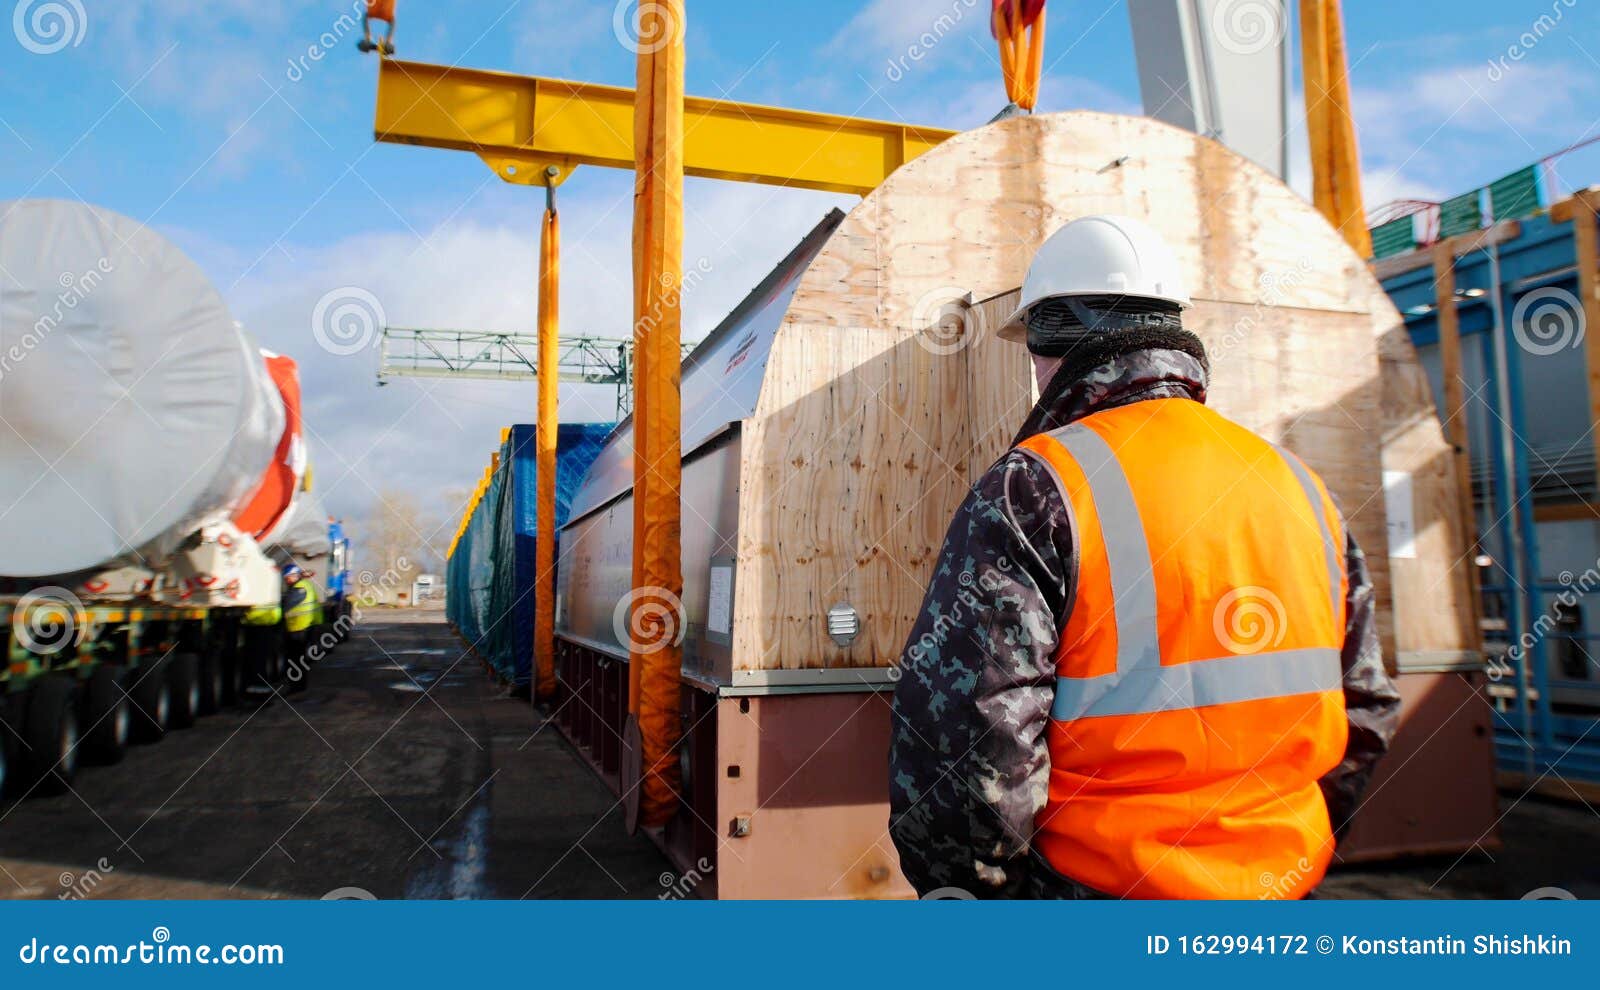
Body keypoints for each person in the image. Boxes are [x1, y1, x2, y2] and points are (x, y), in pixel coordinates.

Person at [887, 215, 1402, 900]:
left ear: (1057, 338)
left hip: (1098, 894)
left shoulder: (1035, 485)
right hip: (1284, 887)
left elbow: (971, 732)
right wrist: (1295, 848)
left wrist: (975, 894)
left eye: (1035, 349)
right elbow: (1366, 704)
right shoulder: (1299, 486)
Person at [281, 563, 321, 683]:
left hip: (300, 628)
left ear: (295, 575)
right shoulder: (304, 585)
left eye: (288, 578)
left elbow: (286, 606)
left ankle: (297, 686)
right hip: (304, 626)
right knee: (298, 658)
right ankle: (298, 684)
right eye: (285, 579)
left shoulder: (299, 588)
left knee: (295, 658)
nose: (287, 581)